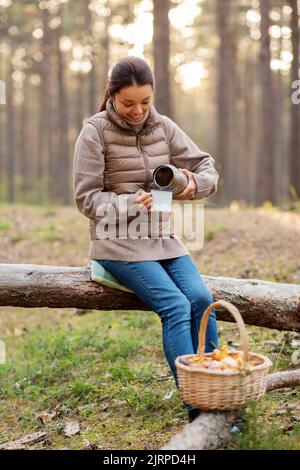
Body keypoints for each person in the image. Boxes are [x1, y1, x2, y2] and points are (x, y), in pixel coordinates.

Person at [73, 56, 219, 423]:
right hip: (116, 243)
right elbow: (85, 199)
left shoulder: (164, 127)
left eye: (145, 102)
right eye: (128, 103)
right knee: (174, 305)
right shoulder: (94, 131)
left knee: (201, 299)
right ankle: (197, 407)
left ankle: (218, 389)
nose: (137, 111)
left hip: (163, 239)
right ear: (111, 96)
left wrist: (187, 185)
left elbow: (207, 170)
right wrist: (129, 204)